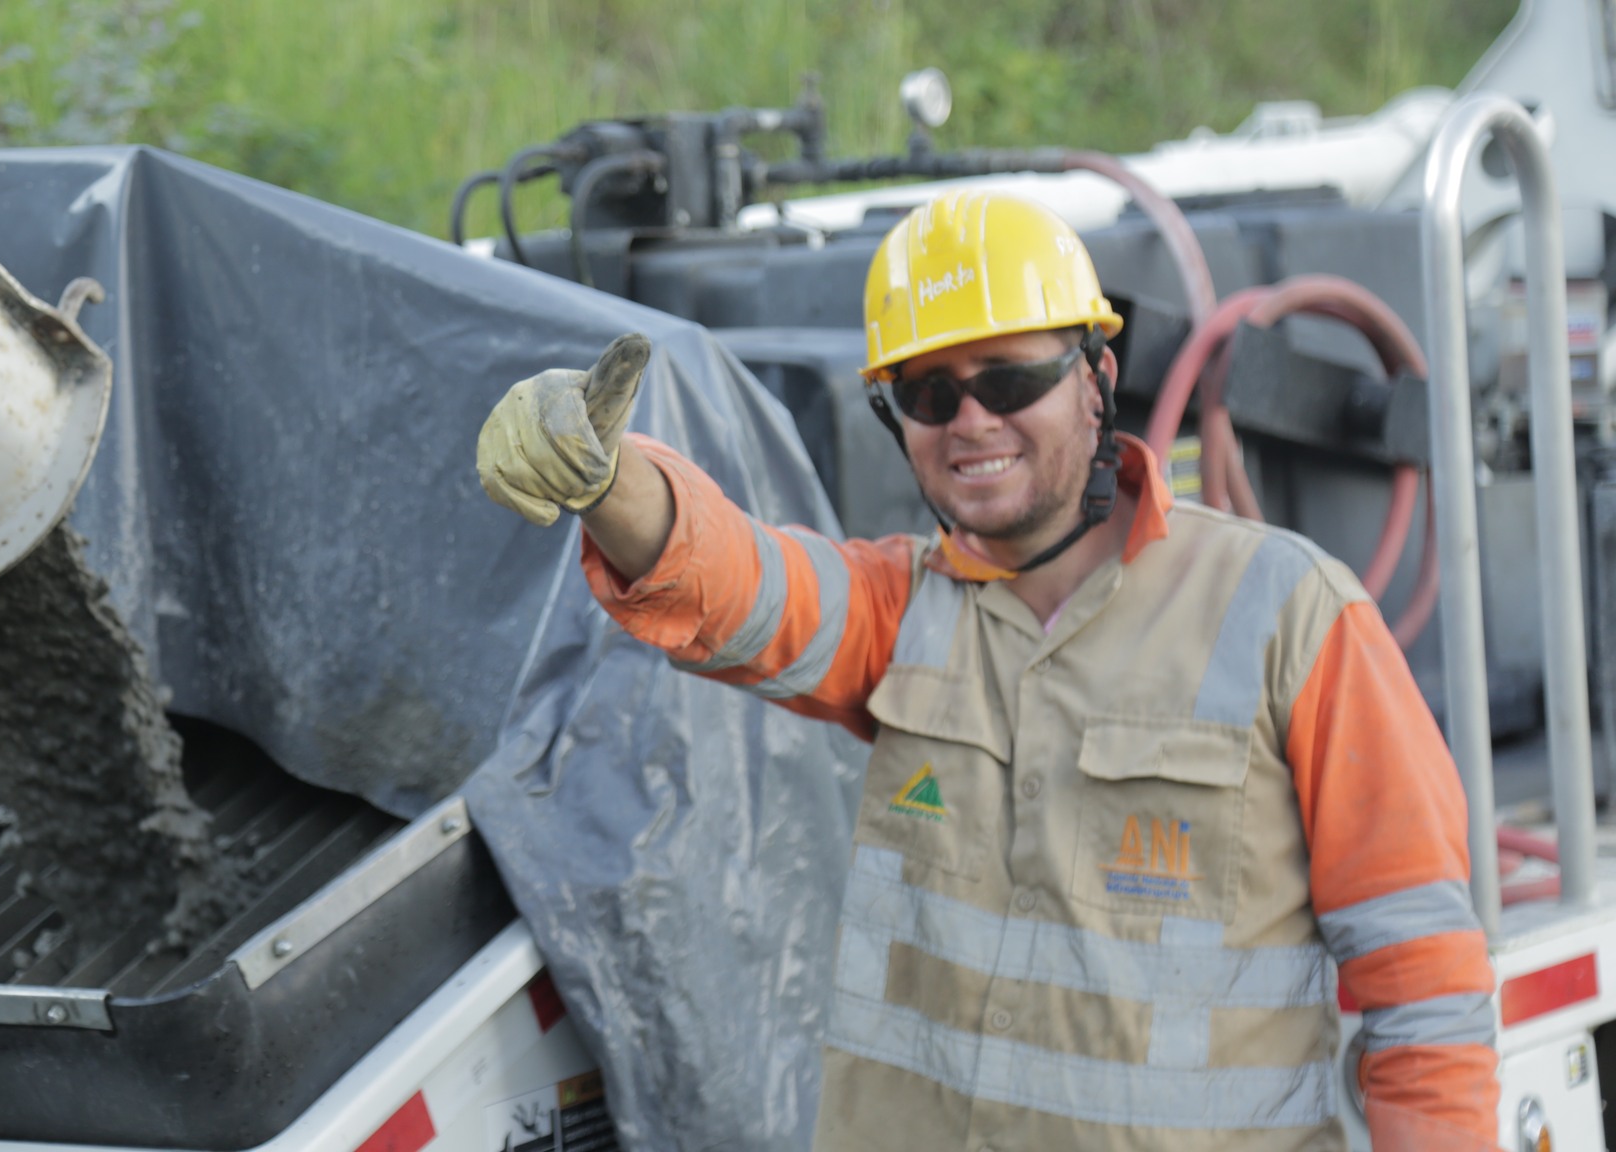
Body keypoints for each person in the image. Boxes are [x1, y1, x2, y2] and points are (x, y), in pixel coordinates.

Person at [473, 189, 1497, 1150]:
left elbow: (1423, 987)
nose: (969, 421)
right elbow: (740, 586)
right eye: (927, 393)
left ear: (1094, 375)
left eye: (1008, 379)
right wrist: (608, 483)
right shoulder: (900, 613)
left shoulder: (1291, 618)